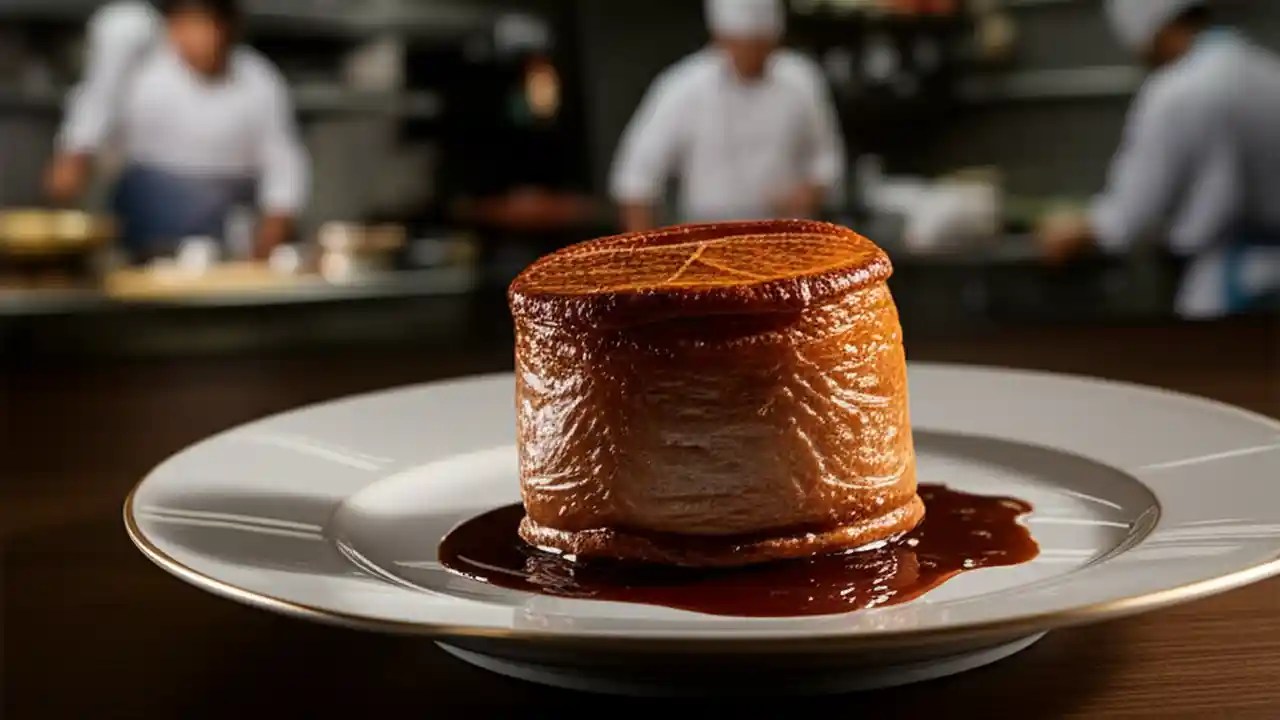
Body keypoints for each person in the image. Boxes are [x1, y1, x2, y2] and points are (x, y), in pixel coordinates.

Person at [1039, 0, 1280, 318]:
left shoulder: (1175, 91)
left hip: (1227, 291)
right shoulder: (1265, 69)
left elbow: (1130, 216)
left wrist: (1079, 228)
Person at [45, 0, 309, 263]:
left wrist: (272, 231)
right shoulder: (143, 65)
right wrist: (76, 153)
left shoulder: (260, 81)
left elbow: (283, 163)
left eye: (211, 24)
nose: (203, 38)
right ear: (172, 26)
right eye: (190, 23)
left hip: (223, 239)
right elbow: (98, 98)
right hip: (142, 228)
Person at [609, 0, 845, 233]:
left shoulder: (802, 80)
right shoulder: (683, 87)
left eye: (762, 46)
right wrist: (646, 259)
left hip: (786, 236)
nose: (752, 56)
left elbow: (827, 160)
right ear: (721, 39)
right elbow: (635, 179)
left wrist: (810, 192)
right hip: (709, 240)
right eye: (743, 45)